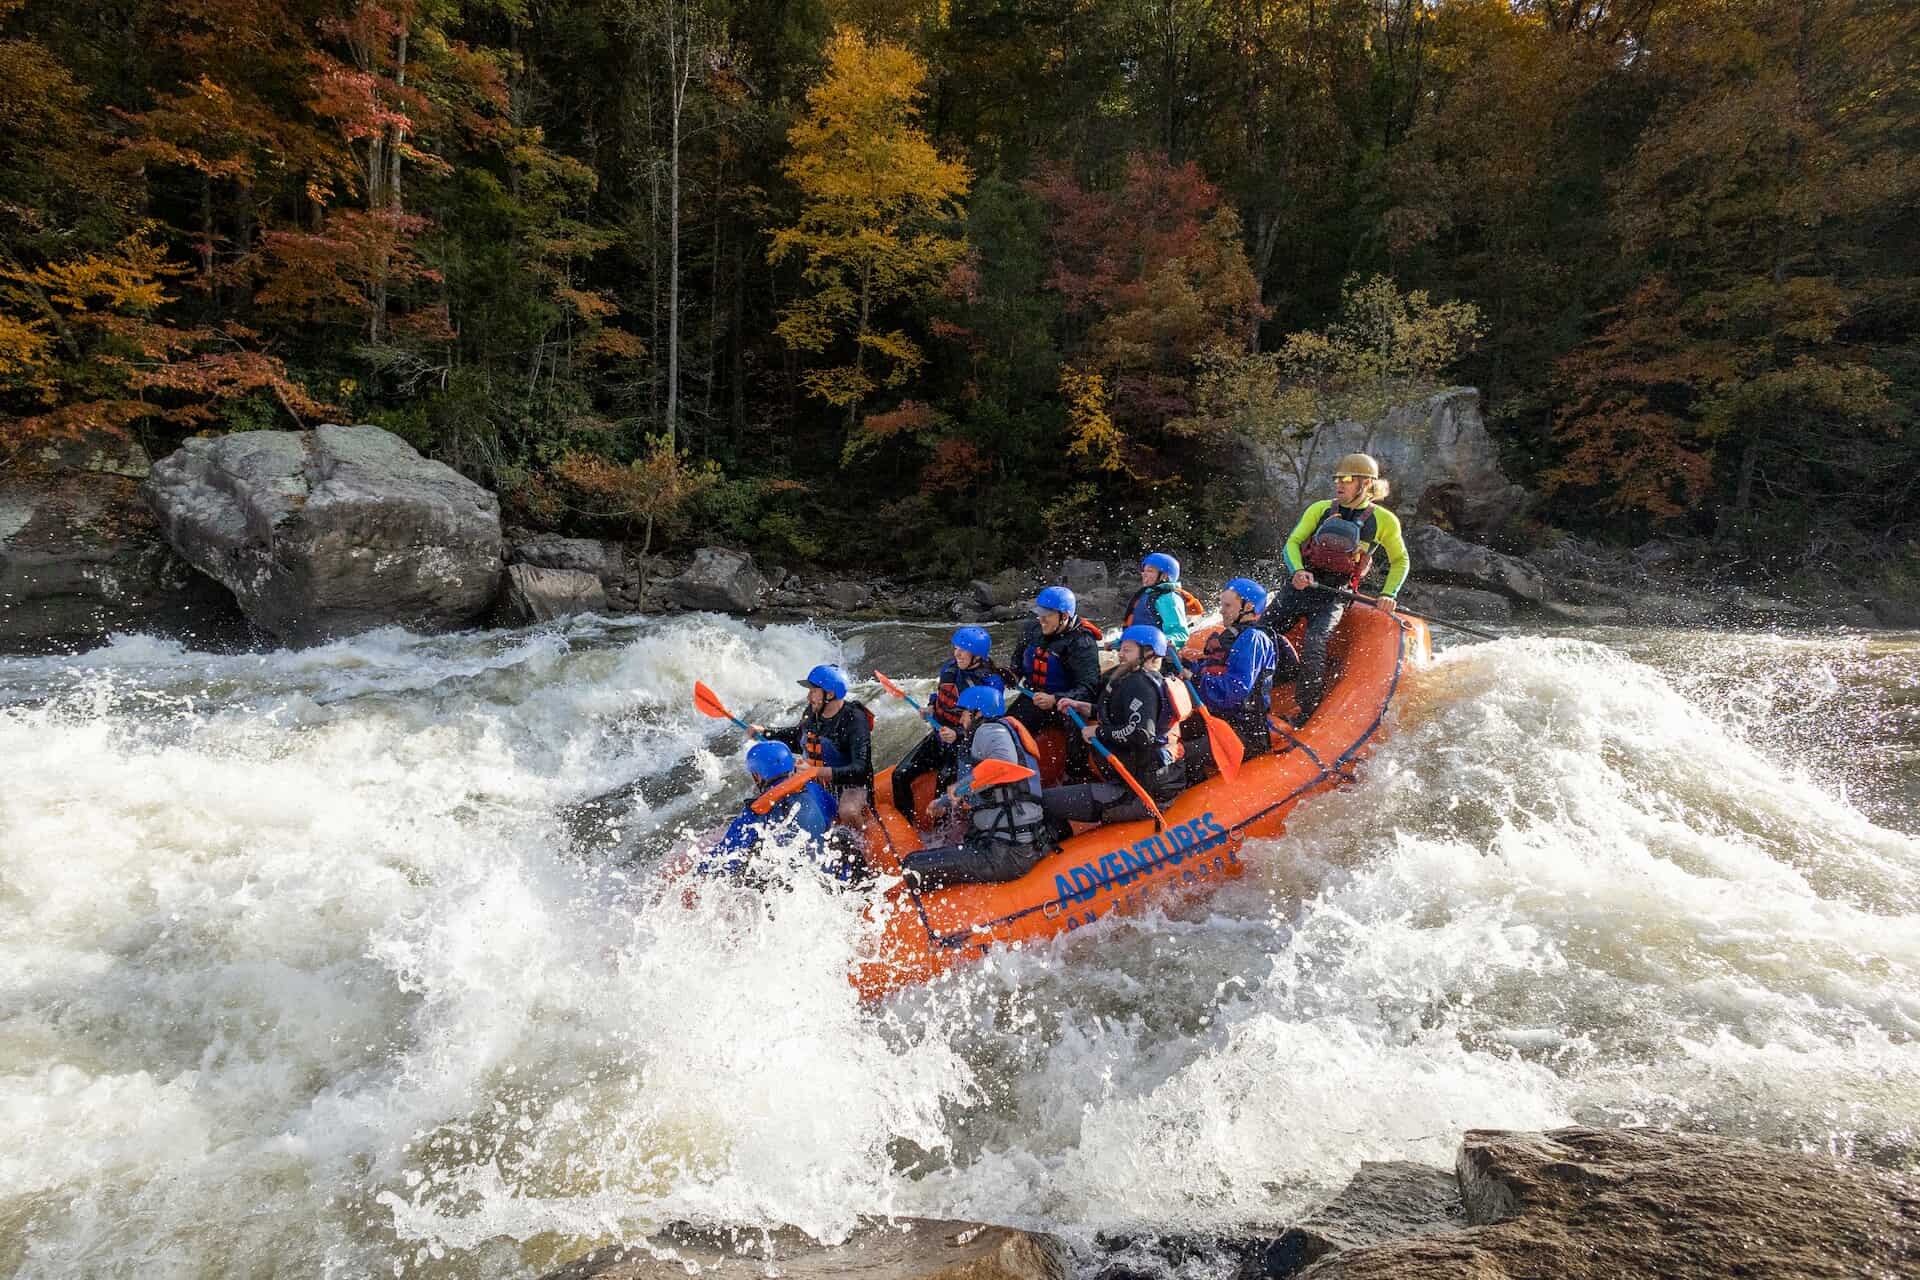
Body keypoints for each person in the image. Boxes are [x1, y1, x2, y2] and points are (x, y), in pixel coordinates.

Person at [1265, 453, 1410, 723]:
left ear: (1366, 484)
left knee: (1315, 641)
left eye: (1346, 479)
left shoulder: (1384, 521)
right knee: (1262, 632)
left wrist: (1388, 594)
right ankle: (1262, 684)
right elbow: (1293, 543)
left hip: (1336, 594)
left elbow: (1400, 560)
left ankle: (1306, 710)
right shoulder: (1319, 509)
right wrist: (1297, 571)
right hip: (1301, 585)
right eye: (1337, 479)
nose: (1338, 484)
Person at [901, 685, 1053, 889]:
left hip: (1008, 853)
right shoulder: (999, 728)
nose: (961, 720)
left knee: (912, 865)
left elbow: (1003, 765)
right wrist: (944, 801)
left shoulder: (989, 730)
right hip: (1020, 842)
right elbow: (988, 777)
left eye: (963, 714)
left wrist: (961, 788)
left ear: (979, 712)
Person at [1041, 625, 1191, 830]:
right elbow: (1119, 715)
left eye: (1127, 650)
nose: (1120, 654)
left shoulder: (1140, 684)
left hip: (1139, 792)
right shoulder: (1144, 679)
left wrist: (1099, 731)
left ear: (1148, 653)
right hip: (1151, 781)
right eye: (1121, 649)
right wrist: (1084, 707)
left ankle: (1052, 847)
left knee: (1043, 801)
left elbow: (1141, 734)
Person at [890, 626, 1007, 824]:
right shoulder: (950, 667)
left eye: (963, 650)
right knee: (899, 775)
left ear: (977, 656)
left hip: (966, 744)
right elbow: (939, 694)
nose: (957, 653)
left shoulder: (990, 682)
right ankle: (907, 826)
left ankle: (940, 835)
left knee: (944, 782)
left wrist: (958, 733)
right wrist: (930, 707)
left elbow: (990, 720)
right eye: (956, 648)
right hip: (939, 735)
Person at [1185, 577, 1288, 779]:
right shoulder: (1233, 635)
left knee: (1183, 755)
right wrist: (1189, 669)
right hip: (1220, 718)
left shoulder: (1253, 639)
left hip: (1246, 730)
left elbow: (1236, 689)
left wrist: (1195, 679)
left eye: (1227, 605)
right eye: (1221, 604)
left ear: (1248, 606)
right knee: (1167, 739)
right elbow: (1213, 668)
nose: (1221, 610)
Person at [700, 740, 846, 880]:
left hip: (787, 886)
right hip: (828, 873)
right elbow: (835, 819)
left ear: (757, 775)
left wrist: (699, 871)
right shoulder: (814, 788)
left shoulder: (756, 810)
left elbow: (726, 856)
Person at [753, 663, 875, 819]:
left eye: (813, 691)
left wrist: (816, 772)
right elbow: (798, 739)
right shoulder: (812, 712)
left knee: (848, 811)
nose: (808, 697)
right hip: (817, 780)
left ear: (829, 694)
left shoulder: (855, 720)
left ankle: (860, 841)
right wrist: (766, 732)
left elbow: (860, 769)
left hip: (851, 786)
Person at [1006, 586, 1103, 742]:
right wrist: (1013, 675)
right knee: (1007, 728)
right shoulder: (1033, 630)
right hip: (1034, 697)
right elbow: (1017, 661)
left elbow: (1089, 688)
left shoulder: (1082, 642)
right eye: (1039, 614)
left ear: (1064, 616)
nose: (1041, 620)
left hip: (1068, 705)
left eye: (1046, 615)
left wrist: (1055, 699)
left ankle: (1075, 765)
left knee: (1077, 744)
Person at [1119, 553, 1202, 672]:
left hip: (1158, 661)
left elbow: (1180, 633)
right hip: (1140, 657)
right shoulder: (1147, 595)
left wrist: (1166, 642)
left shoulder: (1168, 598)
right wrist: (1118, 642)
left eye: (1150, 571)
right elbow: (1137, 632)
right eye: (1144, 570)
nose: (1144, 574)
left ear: (1164, 576)